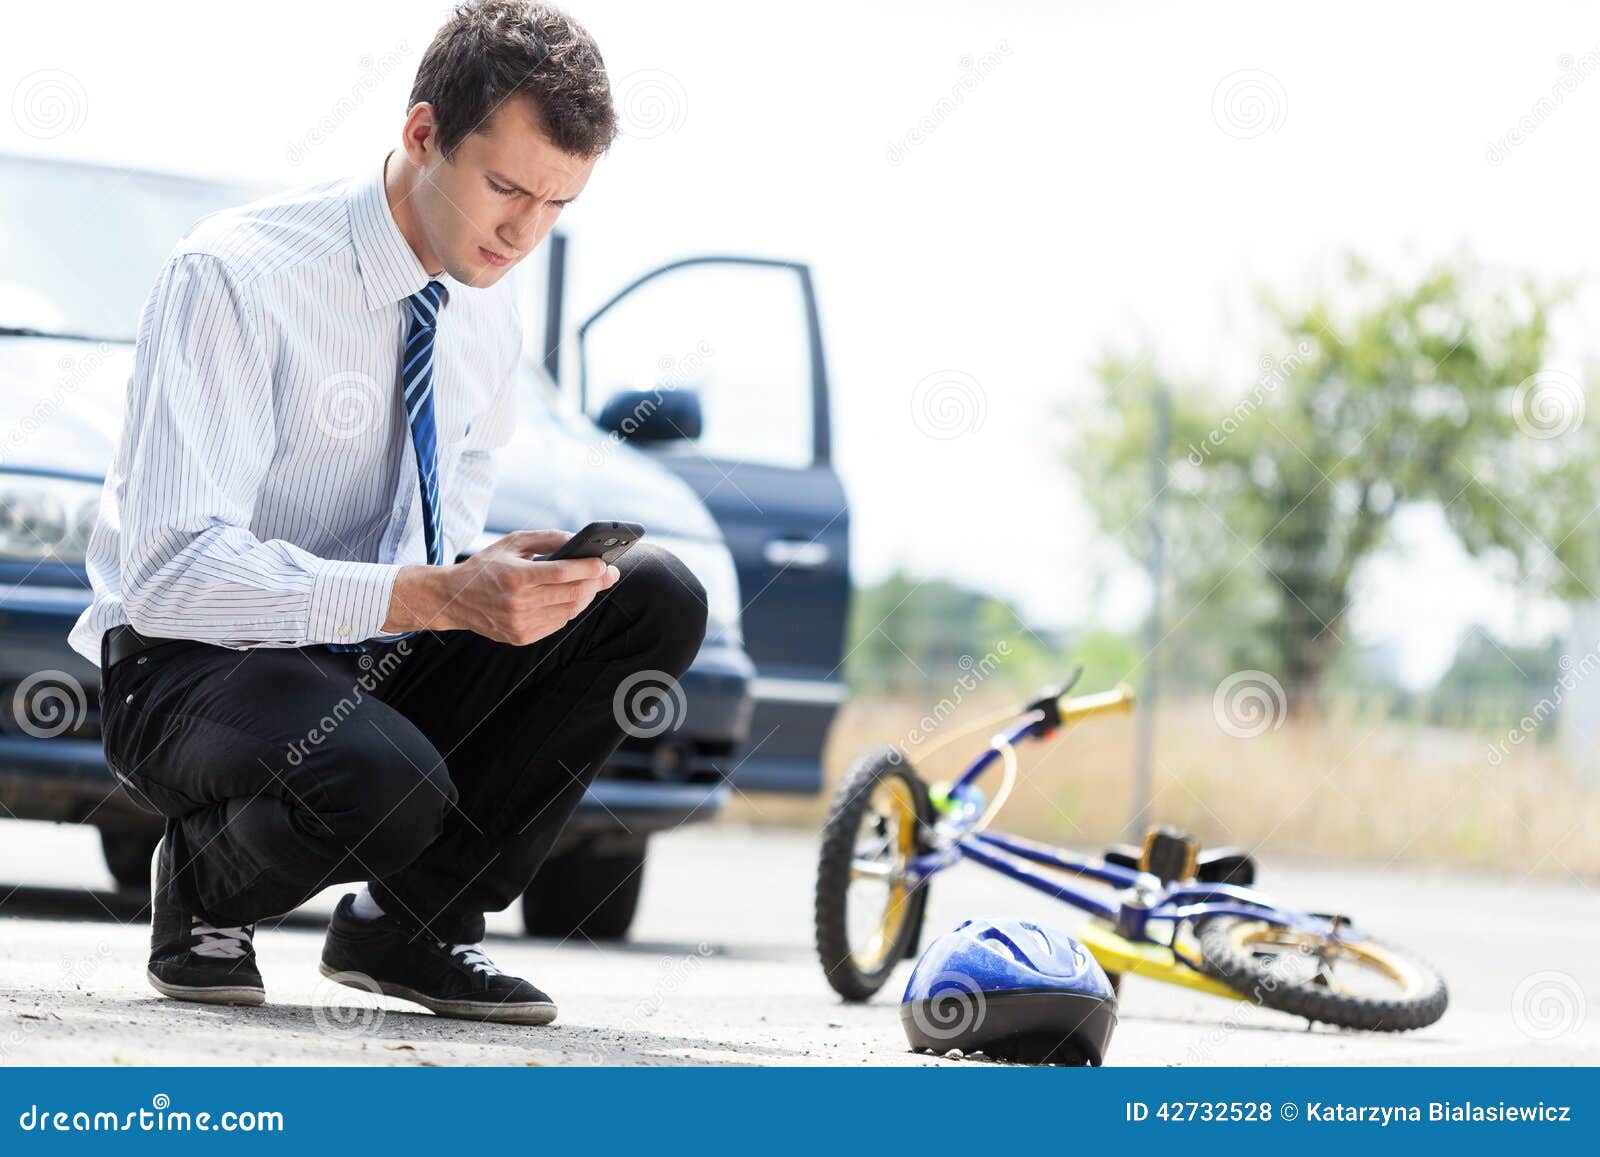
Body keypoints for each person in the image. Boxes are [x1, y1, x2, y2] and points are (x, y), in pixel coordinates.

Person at [67, 0, 708, 1026]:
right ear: (421, 136)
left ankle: (414, 923)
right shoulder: (238, 273)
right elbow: (171, 571)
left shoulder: (486, 303)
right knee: (386, 780)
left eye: (555, 204)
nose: (522, 233)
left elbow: (434, 545)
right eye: (505, 188)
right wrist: (427, 591)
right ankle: (199, 884)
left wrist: (480, 578)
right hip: (188, 661)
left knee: (650, 595)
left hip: (369, 644)